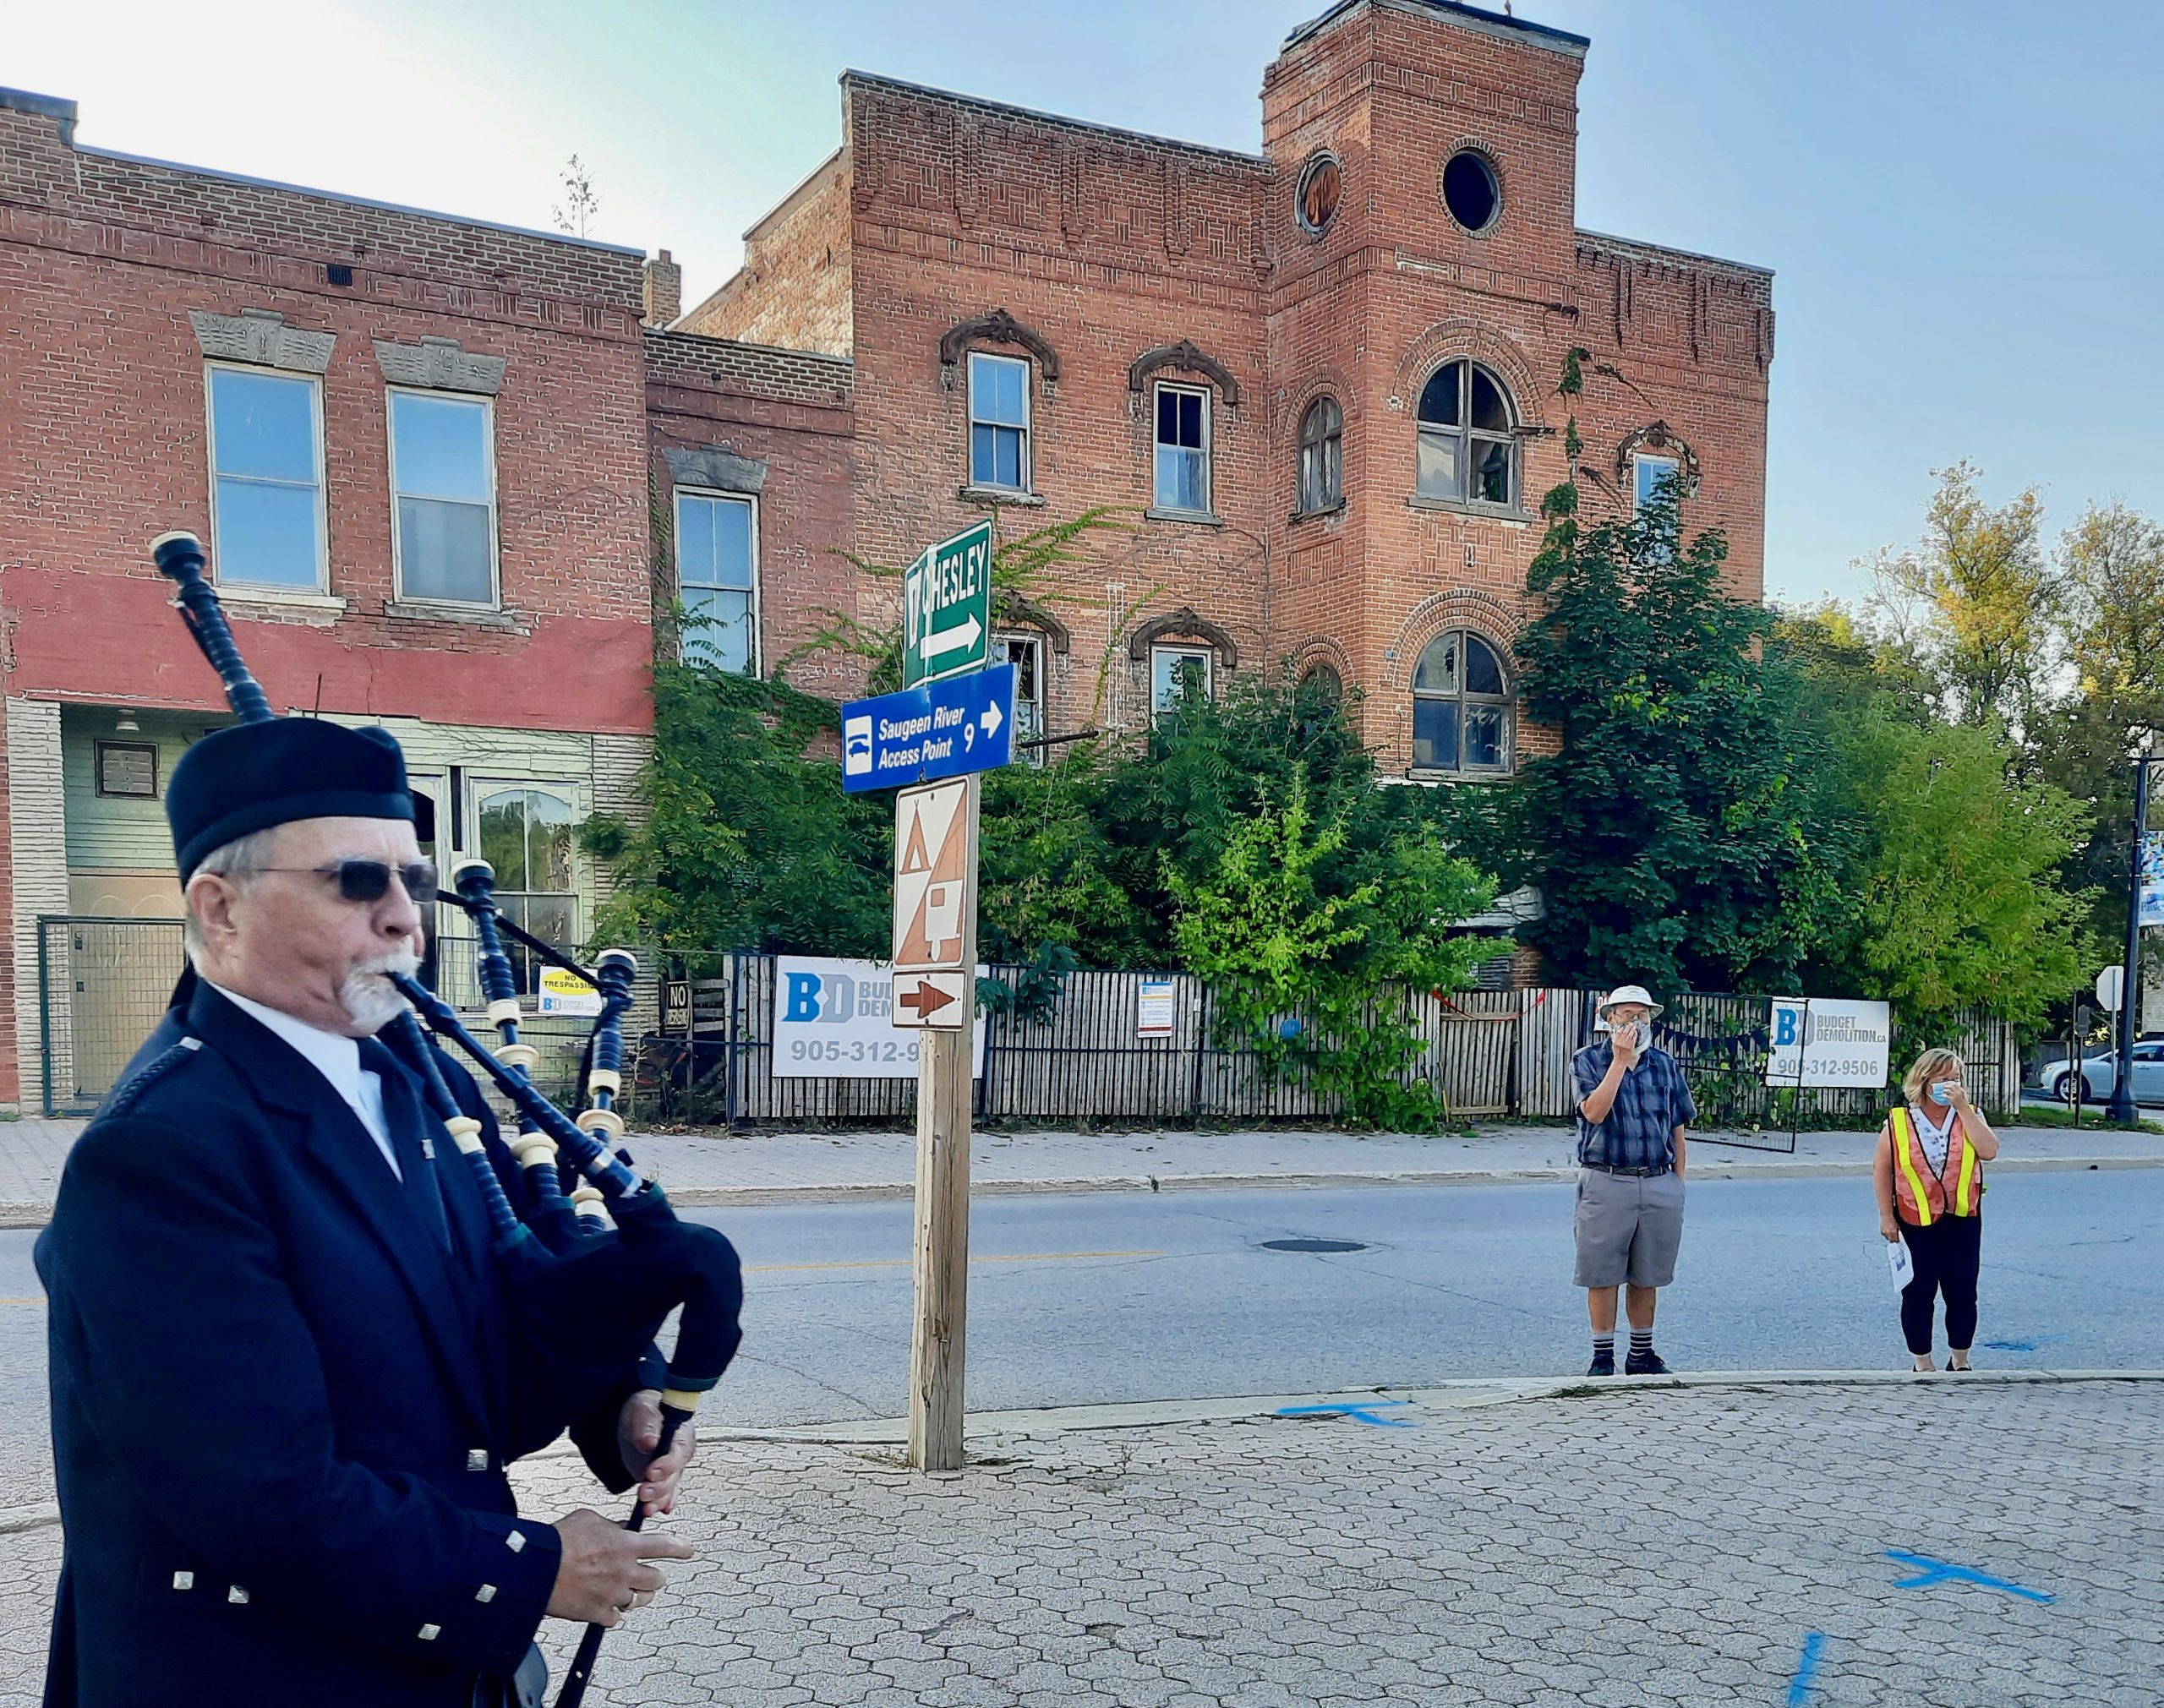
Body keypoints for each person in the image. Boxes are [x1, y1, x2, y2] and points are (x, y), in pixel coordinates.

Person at [36, 718, 696, 1707]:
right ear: (219, 910)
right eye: (357, 881)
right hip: (254, 1675)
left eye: (414, 882)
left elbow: (532, 1270)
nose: (405, 919)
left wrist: (624, 1396)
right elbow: (257, 1490)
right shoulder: (165, 1149)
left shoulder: (412, 1079)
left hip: (426, 1663)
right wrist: (525, 1569)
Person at [1571, 985, 1696, 1377]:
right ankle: (1602, 1357)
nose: (1635, 1022)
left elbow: (1677, 1125)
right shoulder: (1588, 1060)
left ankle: (1641, 1354)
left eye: (1642, 1015)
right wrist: (1620, 1063)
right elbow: (1593, 1112)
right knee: (1603, 1273)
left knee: (1648, 1272)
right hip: (1607, 1178)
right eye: (1626, 1015)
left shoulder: (1664, 1064)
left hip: (1657, 1179)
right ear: (1609, 1020)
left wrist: (1678, 1182)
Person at [1873, 1046, 2000, 1372]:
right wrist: (1887, 1217)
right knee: (1918, 1293)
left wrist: (1963, 1108)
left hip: (1962, 1217)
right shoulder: (1900, 1121)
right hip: (1915, 1218)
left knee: (1962, 1290)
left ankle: (1960, 1359)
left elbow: (1988, 1151)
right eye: (1943, 1079)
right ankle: (1922, 1361)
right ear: (1925, 1080)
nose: (1950, 1085)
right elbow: (1883, 1169)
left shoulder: (1970, 1114)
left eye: (1955, 1079)